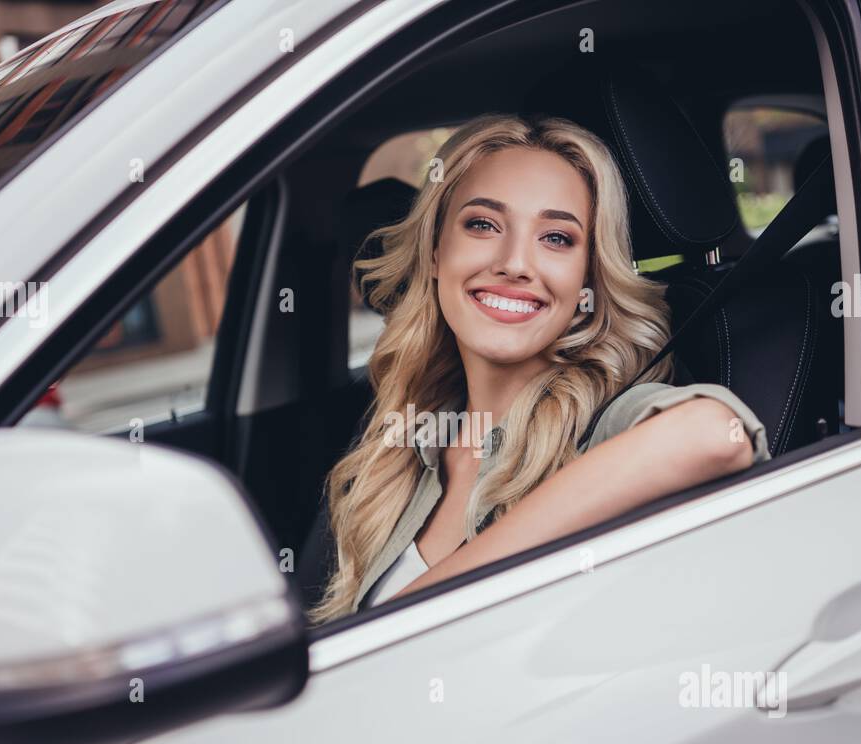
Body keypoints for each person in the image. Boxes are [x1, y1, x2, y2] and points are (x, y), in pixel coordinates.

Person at [310, 114, 769, 624]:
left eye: (556, 238)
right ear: (436, 252)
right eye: (483, 225)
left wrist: (409, 613)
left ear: (588, 278)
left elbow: (715, 435)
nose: (515, 263)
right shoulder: (408, 443)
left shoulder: (604, 425)